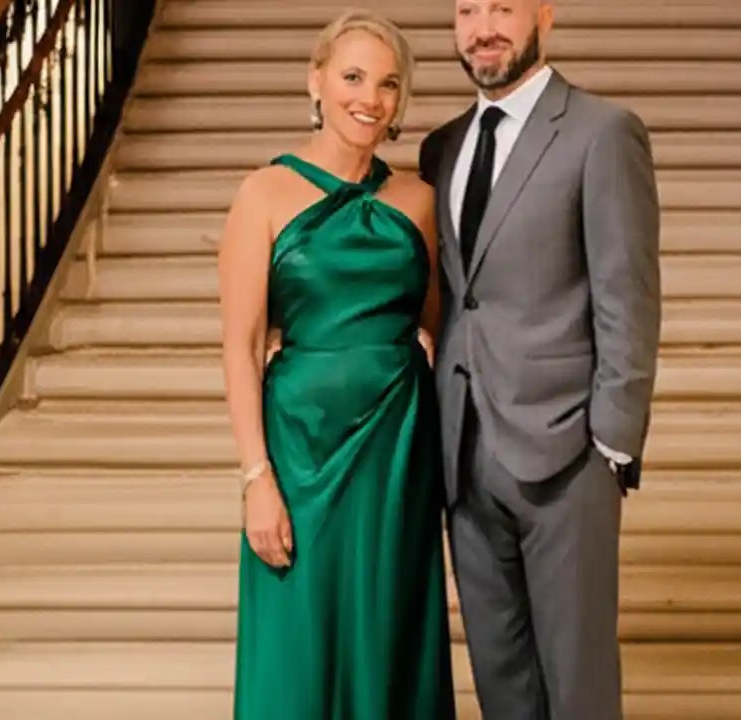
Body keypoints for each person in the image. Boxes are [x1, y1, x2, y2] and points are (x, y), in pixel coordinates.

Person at [418, 0, 662, 718]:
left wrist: (611, 444)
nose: (483, 27)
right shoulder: (443, 147)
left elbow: (628, 293)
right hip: (463, 454)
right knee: (502, 684)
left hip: (567, 455)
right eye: (467, 9)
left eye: (503, 7)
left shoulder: (601, 133)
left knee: (578, 686)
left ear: (544, 15)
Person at [217, 9, 456, 719]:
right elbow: (240, 342)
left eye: (388, 84)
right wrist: (257, 477)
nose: (370, 98)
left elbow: (440, 326)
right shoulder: (262, 192)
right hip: (300, 449)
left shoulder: (418, 202)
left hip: (396, 452)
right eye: (353, 76)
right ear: (316, 81)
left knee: (391, 629)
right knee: (300, 641)